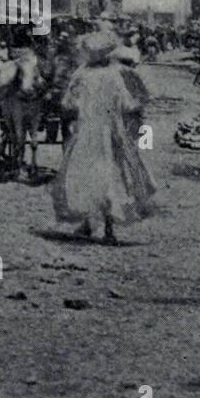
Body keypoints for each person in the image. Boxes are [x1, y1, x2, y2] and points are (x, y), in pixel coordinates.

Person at [50, 31, 157, 245]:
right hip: (112, 132)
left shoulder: (81, 75)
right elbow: (127, 105)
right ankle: (107, 227)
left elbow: (68, 104)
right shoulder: (114, 76)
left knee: (87, 175)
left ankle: (89, 223)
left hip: (87, 130)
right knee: (113, 174)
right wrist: (139, 104)